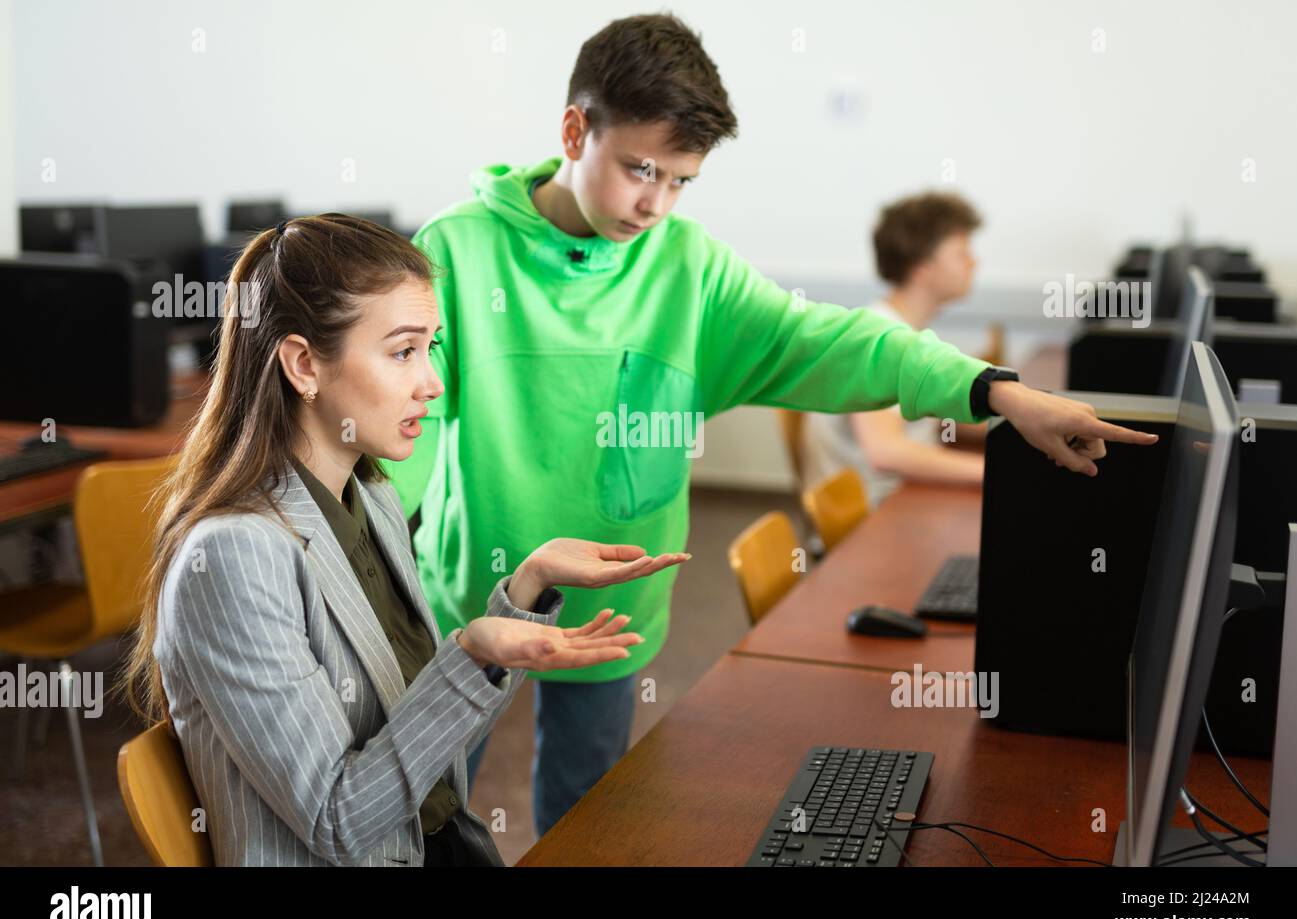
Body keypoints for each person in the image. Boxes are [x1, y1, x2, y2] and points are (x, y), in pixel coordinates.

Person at [384, 13, 1159, 837]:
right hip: (473, 600)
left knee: (585, 820)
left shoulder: (690, 266)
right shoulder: (456, 249)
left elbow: (825, 337)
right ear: (575, 130)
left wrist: (988, 388)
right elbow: (403, 422)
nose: (656, 202)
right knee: (430, 818)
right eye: (639, 169)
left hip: (619, 607)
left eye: (680, 180)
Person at [120, 214, 686, 866]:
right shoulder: (234, 557)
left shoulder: (373, 498)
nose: (433, 383)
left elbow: (420, 743)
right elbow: (338, 822)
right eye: (402, 351)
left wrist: (524, 588)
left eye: (431, 348)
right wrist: (471, 655)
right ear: (304, 364)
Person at [801, 192, 987, 509]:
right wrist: (989, 472)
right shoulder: (879, 338)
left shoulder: (906, 327)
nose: (974, 261)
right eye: (961, 253)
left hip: (903, 499)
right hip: (875, 519)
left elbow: (935, 408)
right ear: (921, 268)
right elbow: (885, 451)